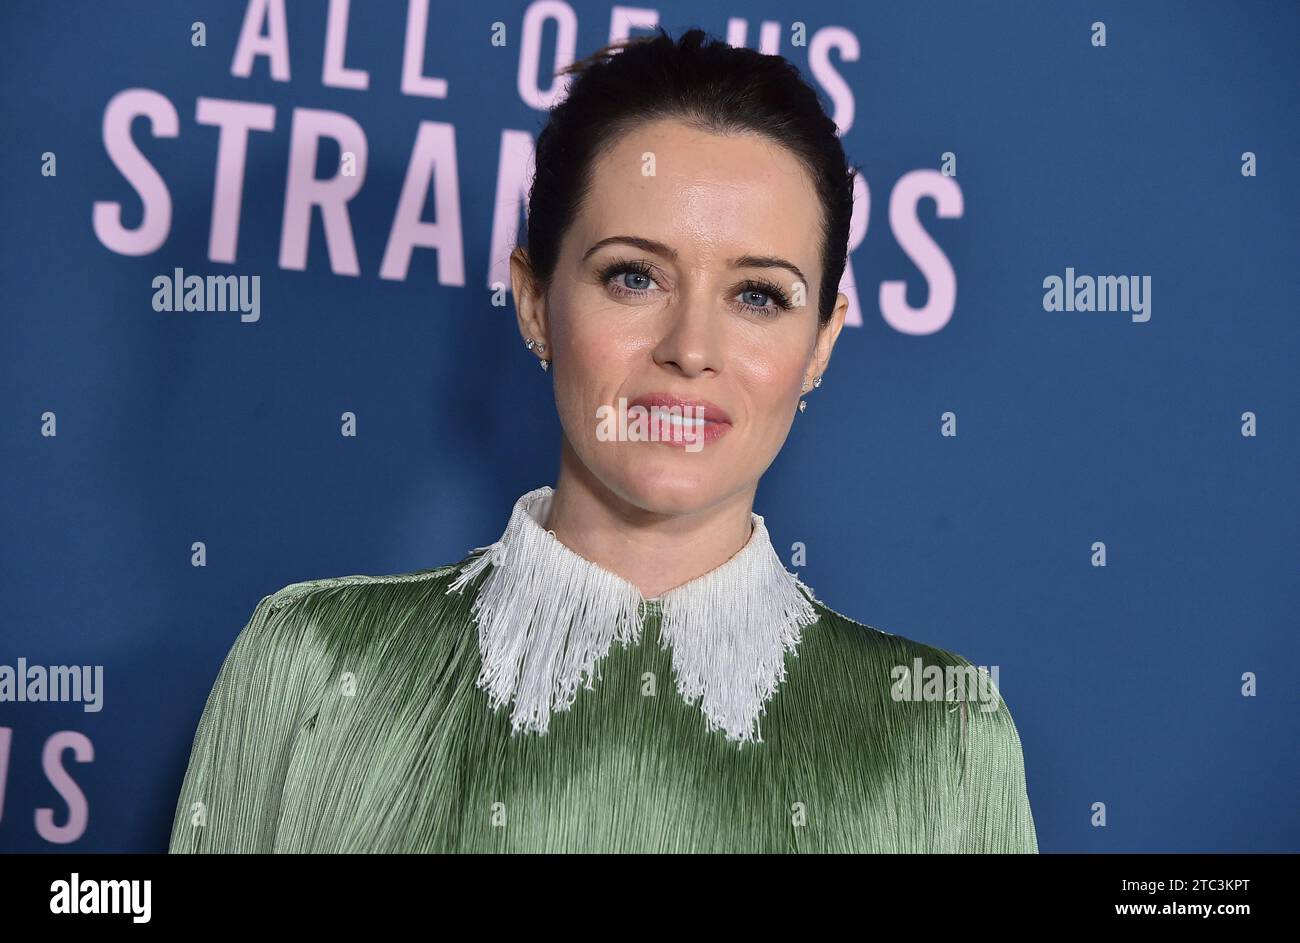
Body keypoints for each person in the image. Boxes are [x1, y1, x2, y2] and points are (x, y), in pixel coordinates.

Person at [168, 26, 1037, 854]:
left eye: (759, 296)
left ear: (820, 345)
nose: (690, 348)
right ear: (536, 300)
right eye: (633, 276)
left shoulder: (945, 740)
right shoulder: (311, 668)